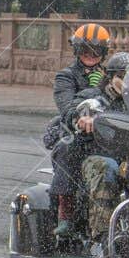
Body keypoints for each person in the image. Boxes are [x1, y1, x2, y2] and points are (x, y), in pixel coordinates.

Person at [49, 23, 111, 237]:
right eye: (85, 49)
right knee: (68, 148)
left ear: (103, 52)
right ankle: (65, 214)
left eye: (96, 50)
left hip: (110, 135)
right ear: (76, 50)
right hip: (77, 134)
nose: (90, 55)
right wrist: (81, 116)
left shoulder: (112, 74)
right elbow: (67, 108)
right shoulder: (65, 76)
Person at [71, 51, 129, 242]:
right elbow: (75, 109)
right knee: (107, 167)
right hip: (95, 155)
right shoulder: (96, 97)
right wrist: (84, 118)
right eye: (122, 77)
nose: (127, 82)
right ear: (110, 77)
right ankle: (102, 237)